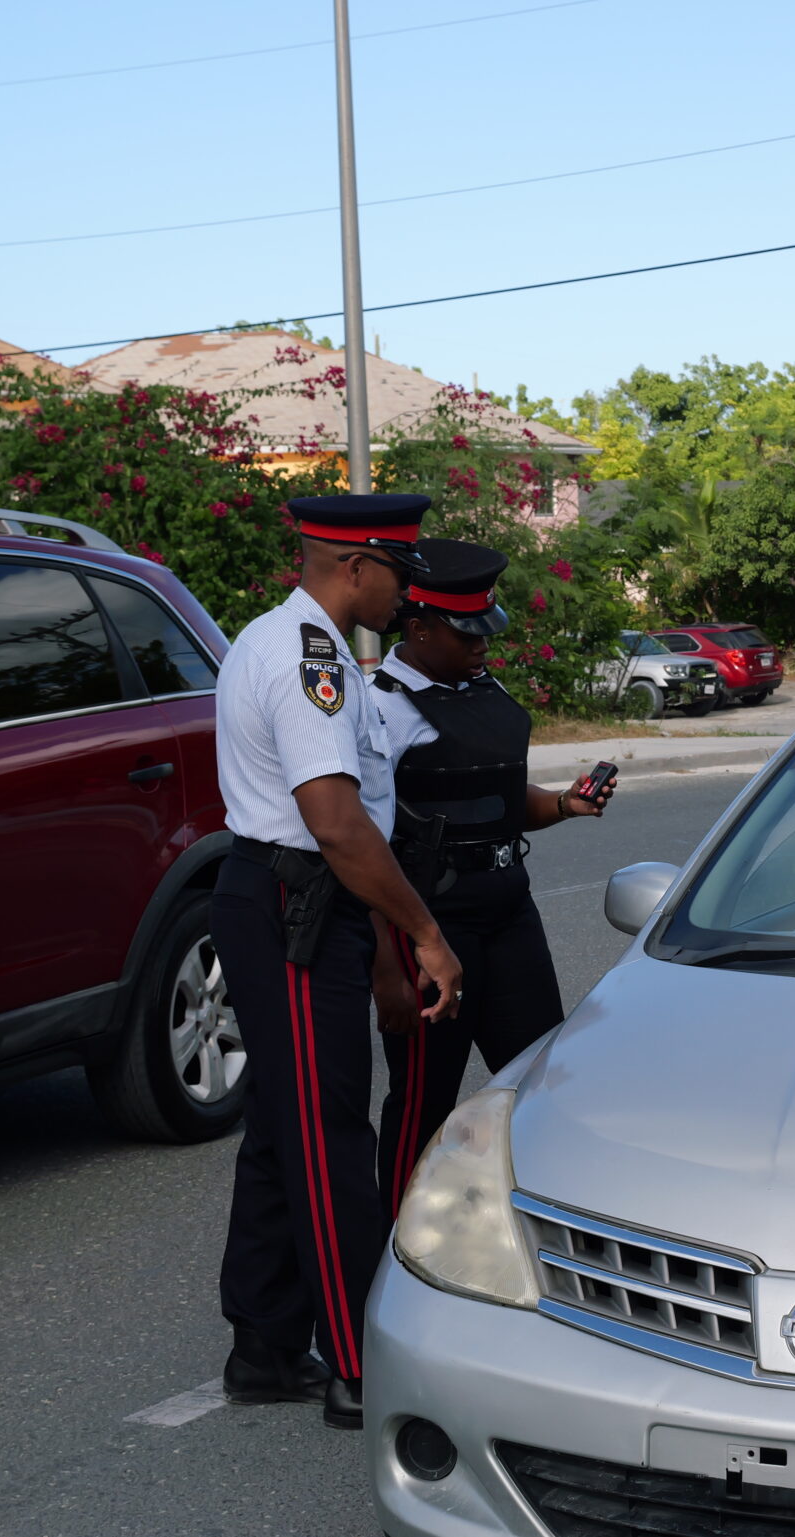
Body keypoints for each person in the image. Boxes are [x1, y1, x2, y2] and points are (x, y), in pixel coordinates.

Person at [211, 493, 464, 1433]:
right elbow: (335, 819)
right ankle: (358, 1364)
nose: (407, 593)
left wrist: (390, 946)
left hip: (301, 902)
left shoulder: (321, 653)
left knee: (286, 1128)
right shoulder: (309, 658)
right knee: (328, 1137)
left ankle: (266, 1347)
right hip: (293, 901)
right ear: (354, 566)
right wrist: (425, 933)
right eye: (399, 573)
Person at [371, 538, 615, 1213]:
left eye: (486, 629)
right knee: (424, 1100)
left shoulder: (480, 686)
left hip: (509, 911)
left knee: (542, 1083)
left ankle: (547, 1227)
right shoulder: (381, 708)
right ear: (418, 628)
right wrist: (388, 963)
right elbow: (362, 841)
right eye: (464, 632)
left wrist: (564, 803)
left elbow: (502, 802)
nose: (482, 645)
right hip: (434, 925)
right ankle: (393, 1241)